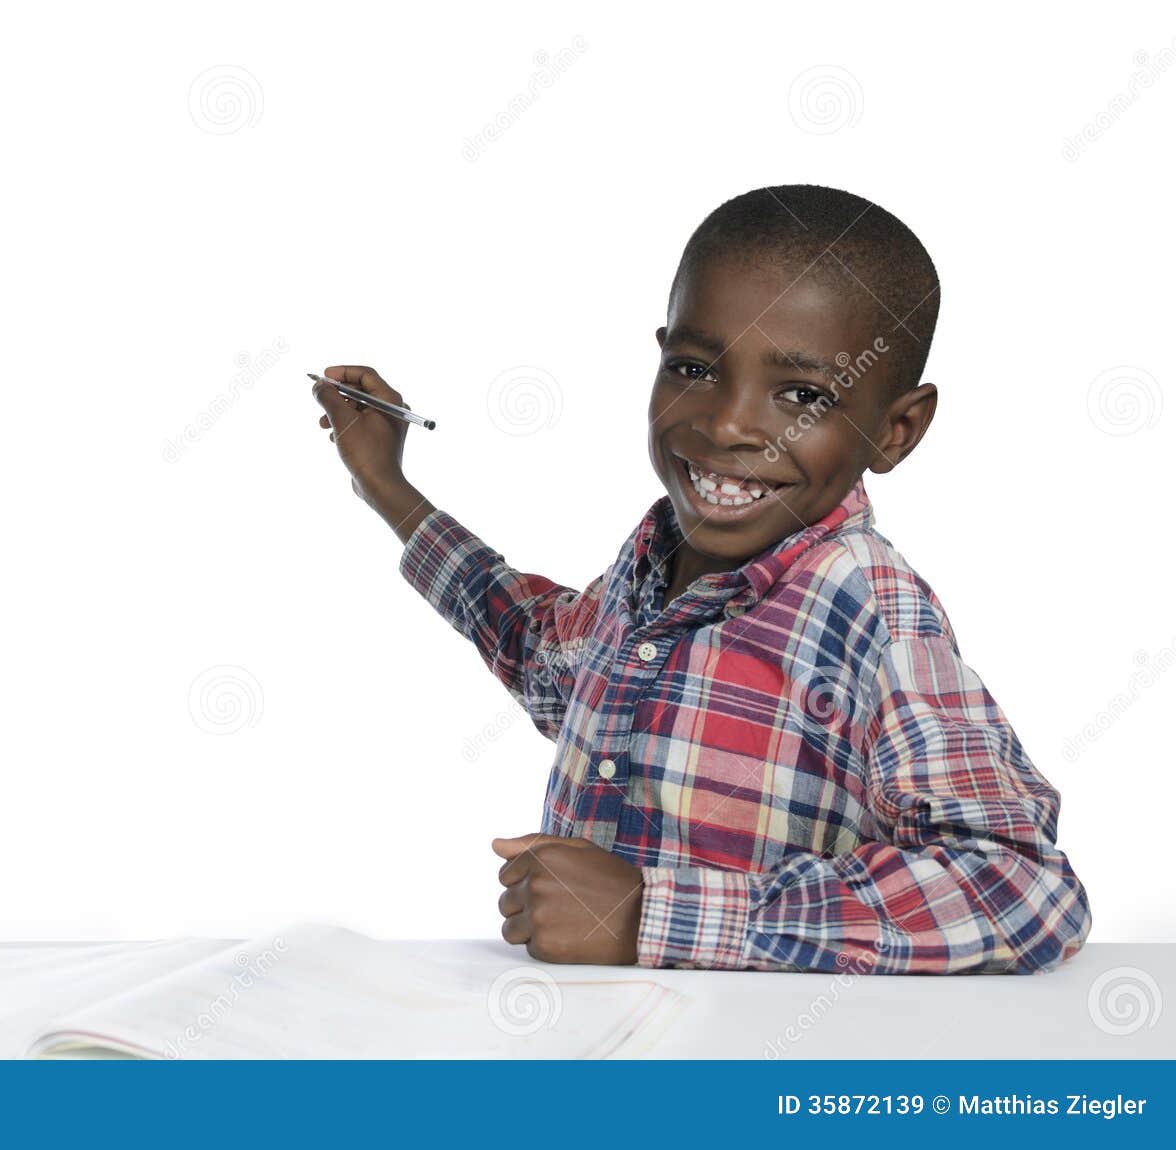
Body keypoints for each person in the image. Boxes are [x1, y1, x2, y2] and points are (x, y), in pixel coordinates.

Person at [310, 184, 1090, 974]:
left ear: (896, 429)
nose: (725, 425)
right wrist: (387, 486)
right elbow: (542, 655)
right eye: (694, 367)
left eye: (803, 395)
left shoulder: (870, 607)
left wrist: (648, 917)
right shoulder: (653, 564)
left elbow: (1017, 888)